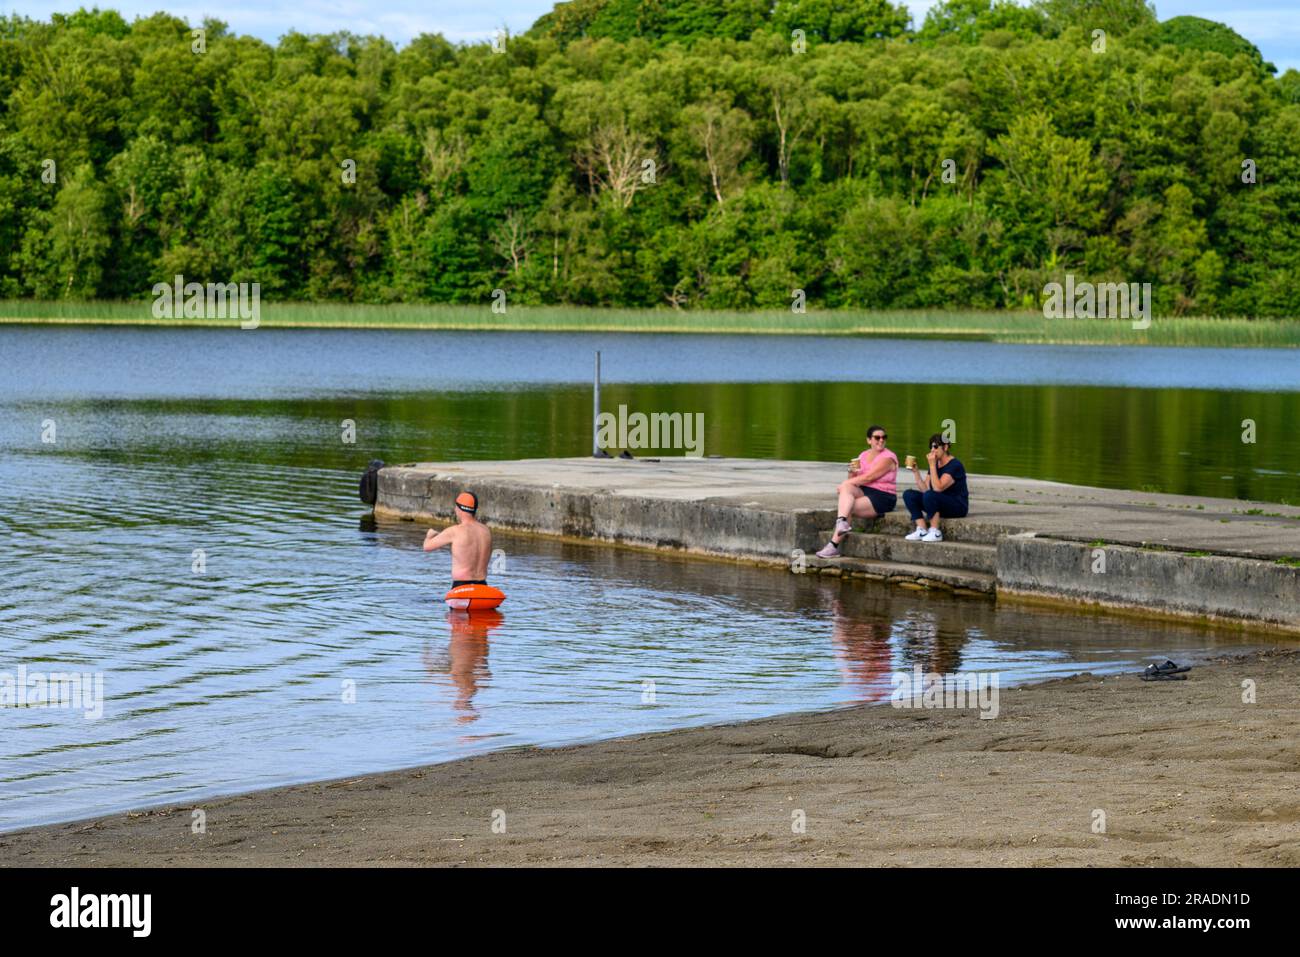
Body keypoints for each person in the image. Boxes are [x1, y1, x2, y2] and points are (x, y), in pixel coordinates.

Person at [816, 425, 898, 558]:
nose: (881, 440)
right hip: (865, 491)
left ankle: (833, 545)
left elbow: (869, 477)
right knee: (846, 490)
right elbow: (853, 480)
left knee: (847, 504)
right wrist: (851, 472)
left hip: (883, 496)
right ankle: (841, 522)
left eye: (884, 437)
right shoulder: (863, 455)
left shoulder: (889, 457)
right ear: (869, 440)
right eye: (877, 437)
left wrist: (845, 484)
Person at [902, 434, 968, 542]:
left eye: (936, 447)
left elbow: (938, 488)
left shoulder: (955, 465)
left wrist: (932, 466)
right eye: (931, 447)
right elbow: (926, 489)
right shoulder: (935, 464)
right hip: (939, 502)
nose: (932, 450)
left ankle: (935, 532)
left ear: (945, 447)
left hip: (957, 506)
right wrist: (916, 472)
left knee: (930, 495)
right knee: (909, 495)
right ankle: (922, 529)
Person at [424, 491, 492, 584]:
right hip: (482, 585)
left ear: (459, 509)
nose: (455, 510)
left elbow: (427, 547)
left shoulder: (455, 531)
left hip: (461, 586)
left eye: (456, 507)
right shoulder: (486, 531)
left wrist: (429, 536)